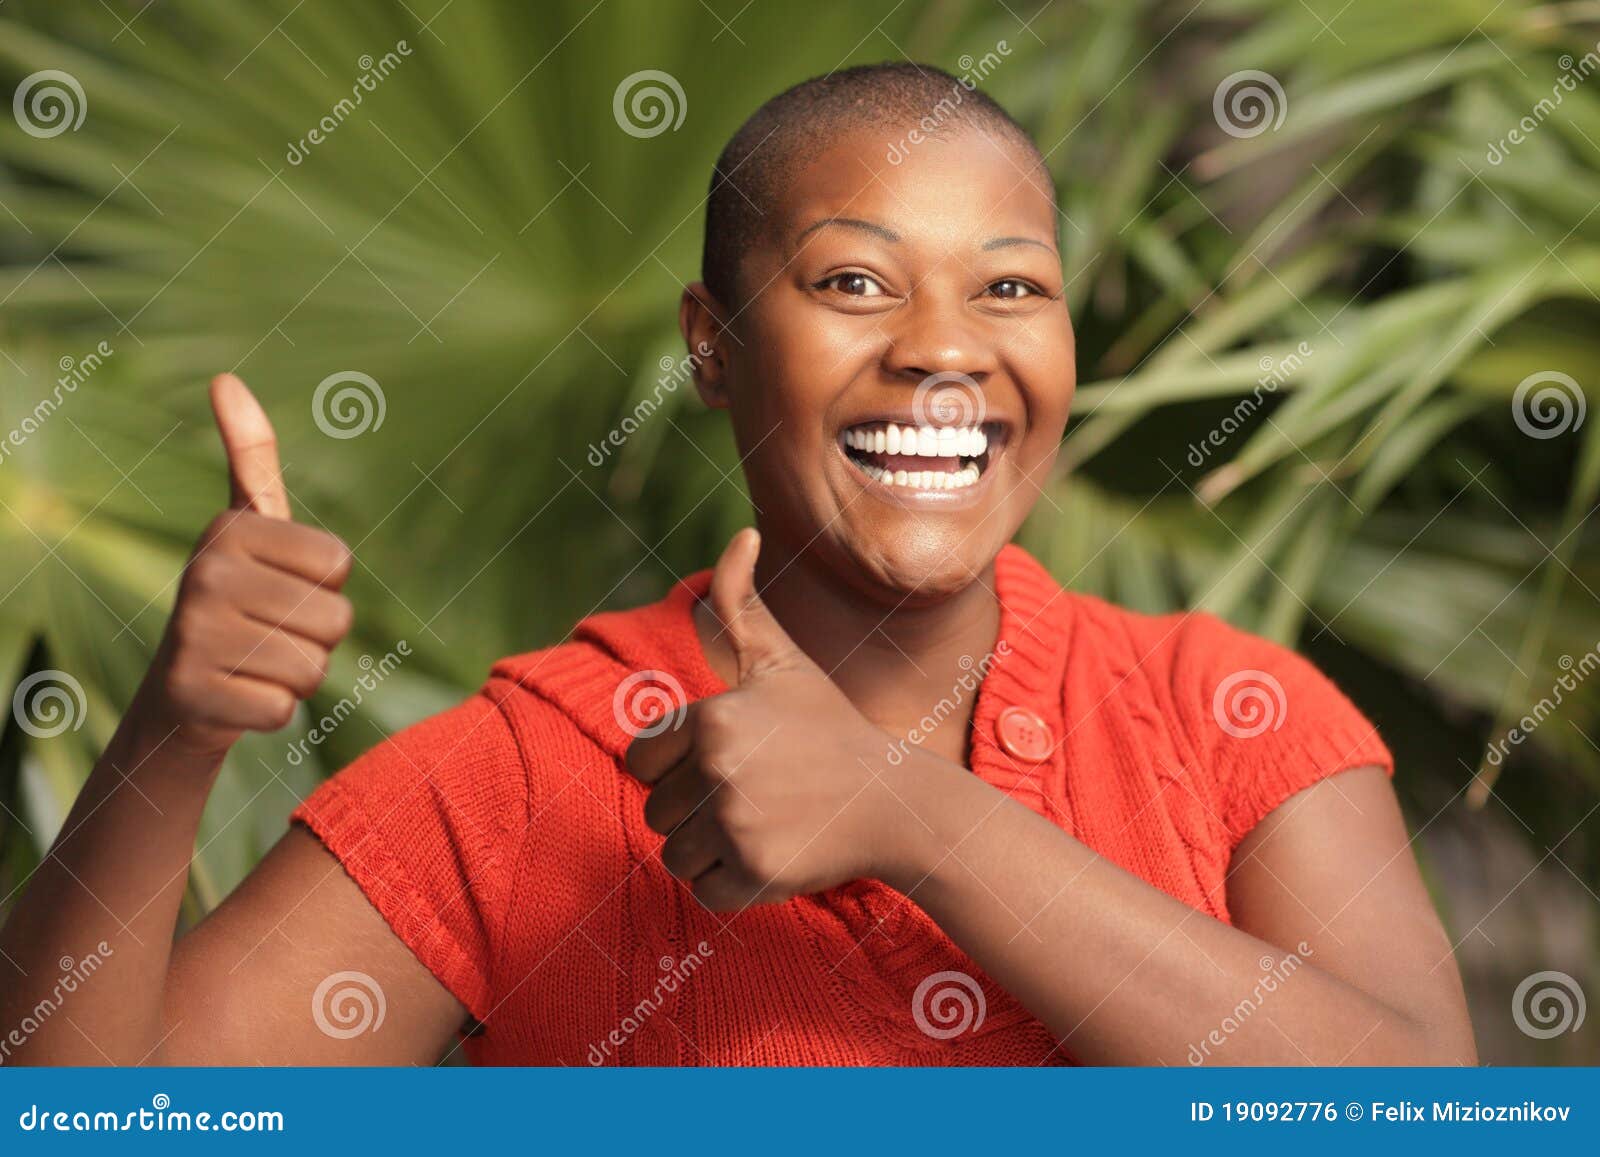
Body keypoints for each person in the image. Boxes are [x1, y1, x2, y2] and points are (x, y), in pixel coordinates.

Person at [0, 63, 1476, 1066]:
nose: (947, 350)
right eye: (854, 282)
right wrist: (170, 742)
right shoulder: (529, 770)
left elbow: (1426, 1122)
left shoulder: (1230, 712)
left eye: (1010, 288)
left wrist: (919, 818)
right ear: (713, 345)